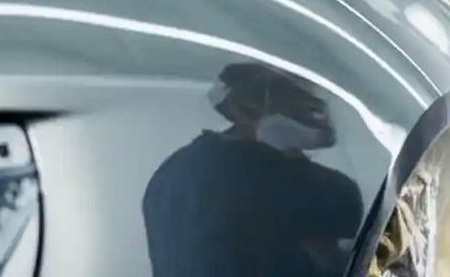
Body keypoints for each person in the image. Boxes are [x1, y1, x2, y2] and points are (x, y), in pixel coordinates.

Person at [143, 62, 364, 277]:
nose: (311, 113)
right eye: (295, 102)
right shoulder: (264, 181)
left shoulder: (174, 173)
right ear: (243, 106)